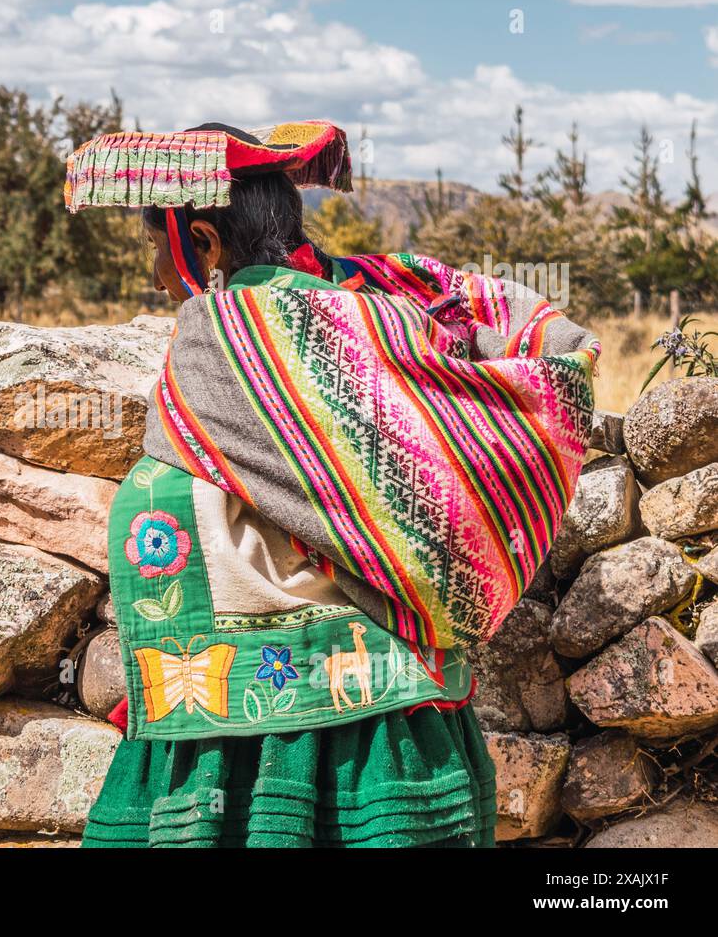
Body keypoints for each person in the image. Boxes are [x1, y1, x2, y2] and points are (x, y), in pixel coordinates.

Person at [62, 120, 600, 848]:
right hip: (390, 706)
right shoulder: (381, 314)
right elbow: (538, 333)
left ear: (204, 244)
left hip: (245, 716)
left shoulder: (221, 332)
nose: (157, 276)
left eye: (158, 250)